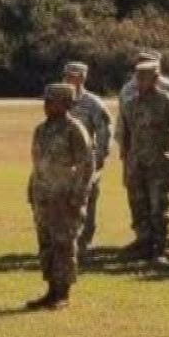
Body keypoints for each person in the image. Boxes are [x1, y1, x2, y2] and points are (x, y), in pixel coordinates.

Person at [117, 59, 169, 263]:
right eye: (139, 78)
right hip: (136, 164)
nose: (142, 82)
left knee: (159, 208)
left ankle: (160, 249)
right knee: (138, 205)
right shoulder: (130, 103)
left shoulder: (168, 102)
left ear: (156, 79)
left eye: (146, 78)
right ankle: (143, 244)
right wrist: (126, 160)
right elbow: (126, 133)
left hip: (160, 164)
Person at [26, 83, 93, 310]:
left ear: (66, 104)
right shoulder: (41, 130)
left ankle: (63, 293)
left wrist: (78, 197)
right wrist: (31, 188)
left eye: (51, 101)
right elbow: (37, 163)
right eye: (45, 101)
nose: (46, 105)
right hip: (43, 196)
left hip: (64, 198)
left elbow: (86, 166)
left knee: (63, 245)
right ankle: (51, 289)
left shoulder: (75, 130)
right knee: (46, 244)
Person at [63, 62, 112, 256]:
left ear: (83, 78)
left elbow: (104, 132)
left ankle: (84, 241)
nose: (69, 80)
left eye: (74, 76)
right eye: (67, 76)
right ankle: (66, 239)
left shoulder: (93, 103)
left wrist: (99, 157)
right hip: (63, 162)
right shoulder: (60, 99)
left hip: (86, 161)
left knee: (87, 201)